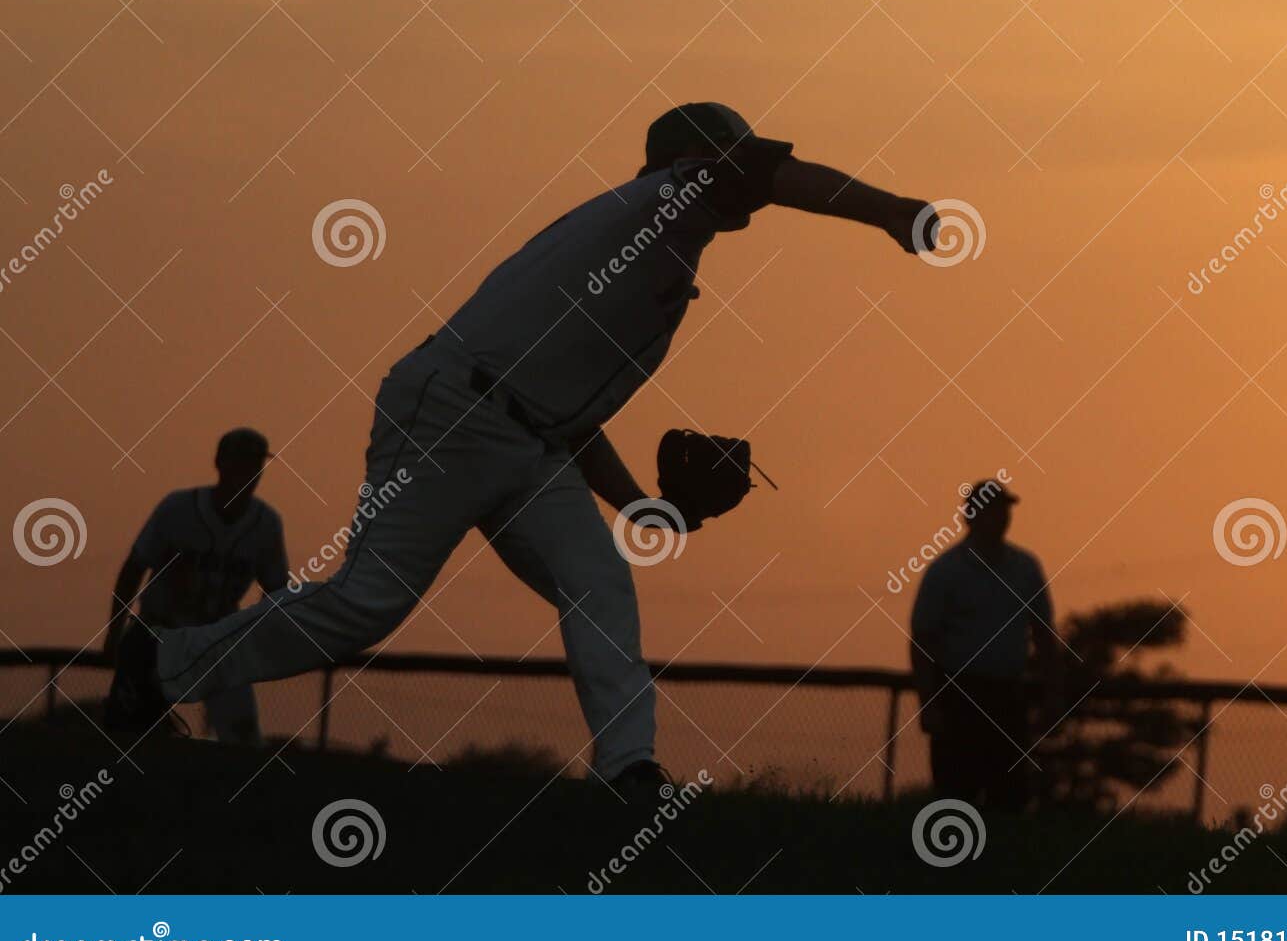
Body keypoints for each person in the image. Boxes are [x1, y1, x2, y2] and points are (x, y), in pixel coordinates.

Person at [107, 102, 939, 797]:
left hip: (525, 438)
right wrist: (893, 213)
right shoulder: (663, 199)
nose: (736, 168)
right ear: (693, 157)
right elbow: (774, 176)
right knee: (367, 604)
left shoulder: (662, 260)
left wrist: (641, 508)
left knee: (599, 580)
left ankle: (629, 772)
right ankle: (162, 660)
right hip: (452, 416)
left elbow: (568, 418)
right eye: (725, 149)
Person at [105, 427, 288, 745]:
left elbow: (277, 593)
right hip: (157, 634)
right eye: (241, 462)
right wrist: (113, 632)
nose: (248, 472)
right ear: (219, 463)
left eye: (255, 464)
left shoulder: (266, 524)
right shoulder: (178, 509)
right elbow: (134, 568)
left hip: (219, 642)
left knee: (244, 744)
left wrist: (256, 642)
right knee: (126, 738)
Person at [910, 477, 1060, 810]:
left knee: (1008, 796)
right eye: (994, 511)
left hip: (1008, 696)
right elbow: (923, 641)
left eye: (1004, 511)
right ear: (972, 516)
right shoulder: (945, 572)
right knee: (955, 796)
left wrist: (1051, 695)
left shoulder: (1025, 568)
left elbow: (1044, 634)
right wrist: (929, 704)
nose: (1002, 518)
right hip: (959, 695)